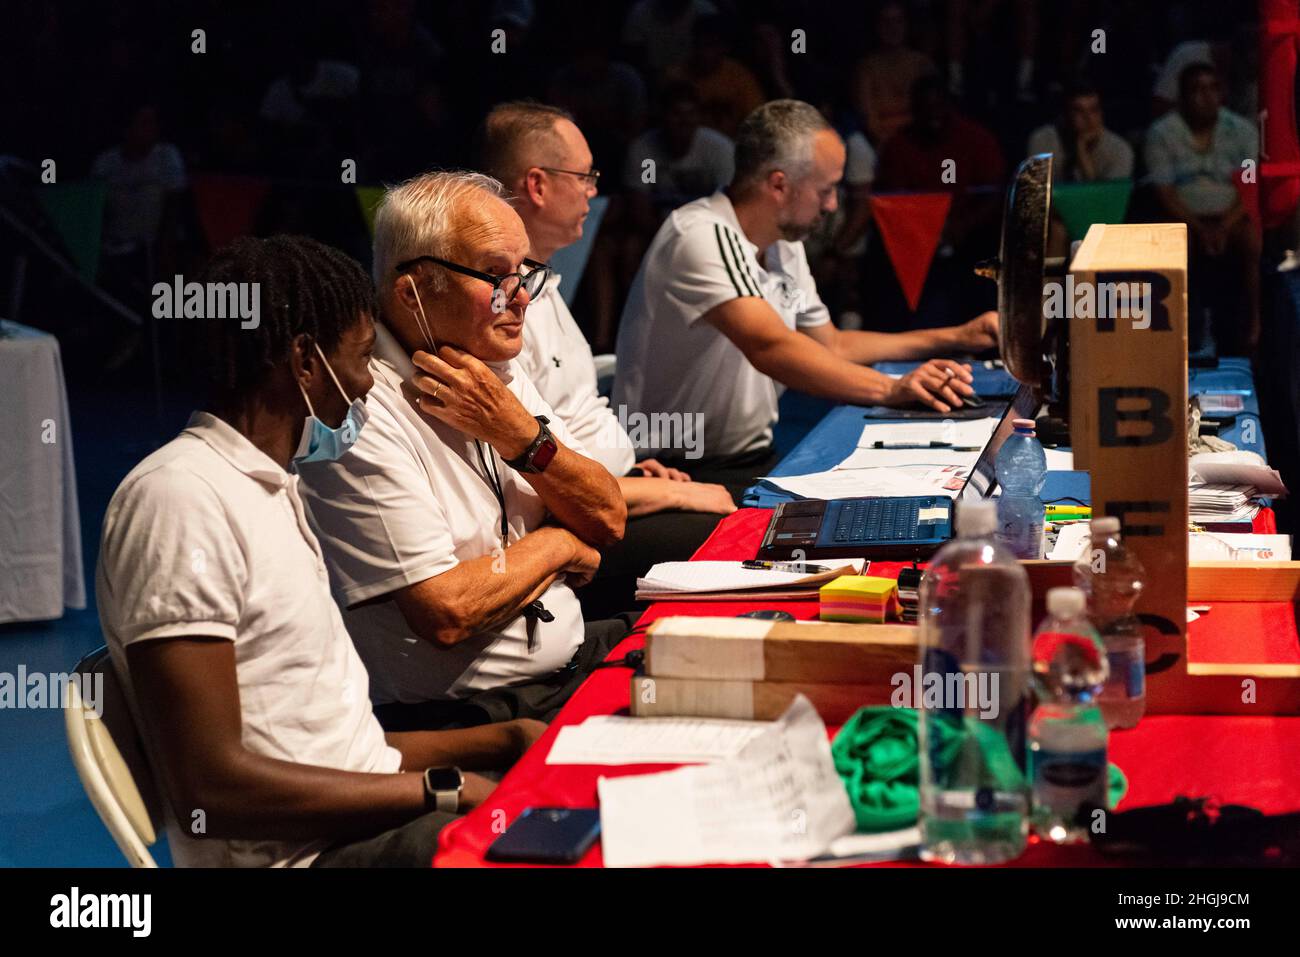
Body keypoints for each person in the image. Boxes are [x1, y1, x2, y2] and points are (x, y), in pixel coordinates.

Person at [96, 236, 544, 867]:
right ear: (305, 361)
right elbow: (209, 787)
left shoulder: (271, 488)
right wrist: (443, 789)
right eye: (362, 357)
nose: (367, 383)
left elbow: (345, 754)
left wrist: (507, 737)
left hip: (358, 834)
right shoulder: (180, 499)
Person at [298, 171, 628, 730]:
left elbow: (608, 515)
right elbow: (447, 610)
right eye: (496, 275)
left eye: (525, 272)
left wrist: (524, 439)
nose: (521, 296)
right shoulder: (356, 410)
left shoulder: (488, 362)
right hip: (473, 715)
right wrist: (558, 547)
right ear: (413, 290)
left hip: (565, 661)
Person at [613, 99, 999, 497]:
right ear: (779, 184)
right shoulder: (700, 234)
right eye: (826, 190)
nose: (833, 205)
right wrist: (891, 388)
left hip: (748, 457)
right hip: (670, 467)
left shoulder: (783, 243)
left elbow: (830, 343)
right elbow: (769, 346)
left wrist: (958, 337)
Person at [481, 101, 734, 616]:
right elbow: (539, 475)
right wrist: (657, 494)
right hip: (579, 522)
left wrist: (633, 469)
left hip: (616, 489)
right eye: (585, 176)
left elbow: (574, 417)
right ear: (537, 185)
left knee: (742, 508)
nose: (594, 190)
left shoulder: (544, 282)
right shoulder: (500, 311)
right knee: (732, 531)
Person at [1145, 62, 1259, 353]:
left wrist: (1223, 226)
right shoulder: (1162, 132)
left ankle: (1255, 326)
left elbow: (1249, 186)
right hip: (1182, 217)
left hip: (1232, 217)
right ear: (1182, 96)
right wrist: (1199, 228)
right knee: (1172, 244)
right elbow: (1165, 192)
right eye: (1196, 90)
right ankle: (1174, 331)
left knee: (1253, 239)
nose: (1205, 96)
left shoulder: (1243, 131)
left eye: (1212, 88)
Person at [1027, 81, 1134, 183]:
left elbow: (1105, 199)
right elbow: (1039, 193)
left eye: (1093, 110)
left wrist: (1083, 156)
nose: (1088, 118)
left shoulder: (1119, 149)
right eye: (1078, 111)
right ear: (1065, 115)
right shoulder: (1043, 140)